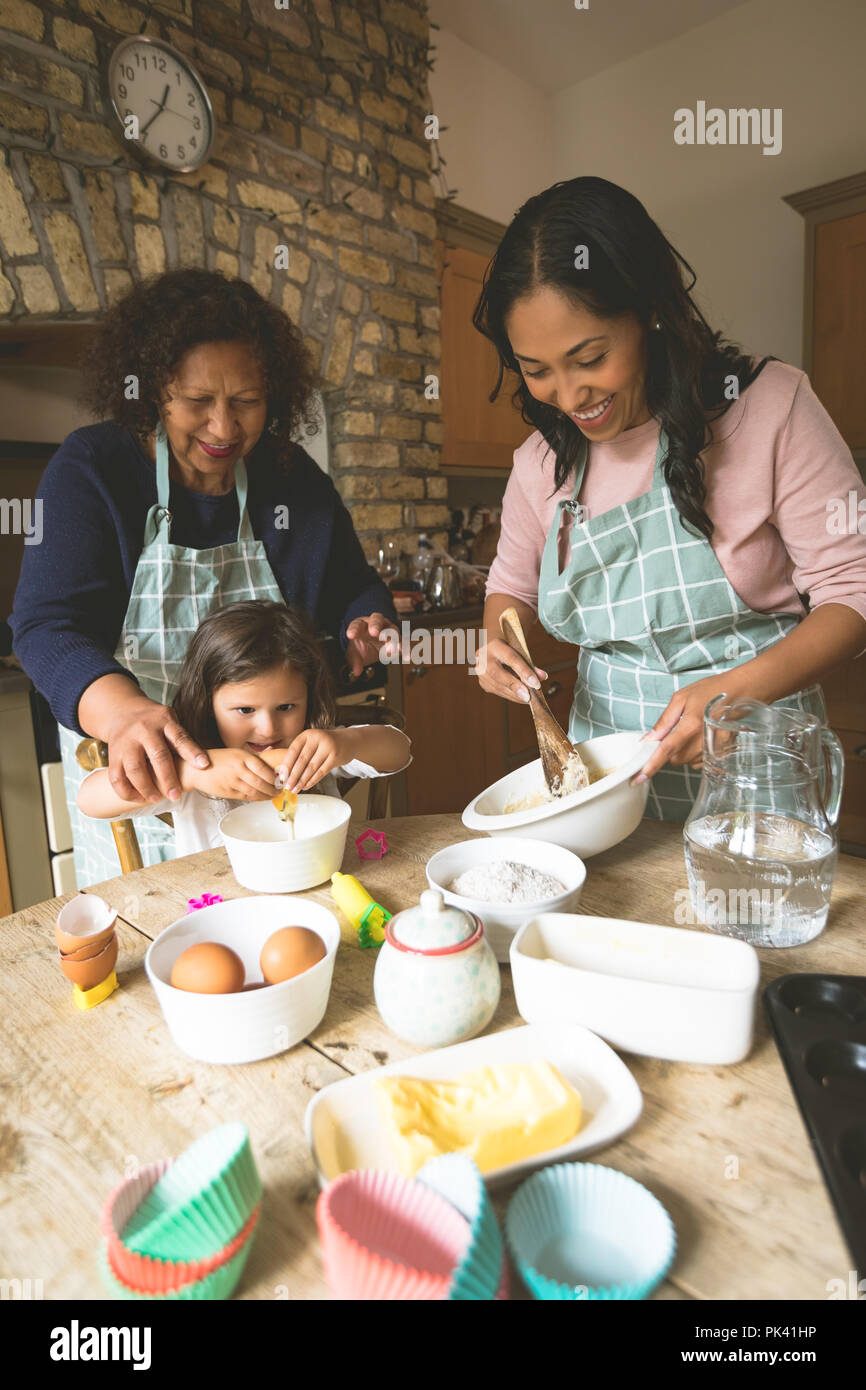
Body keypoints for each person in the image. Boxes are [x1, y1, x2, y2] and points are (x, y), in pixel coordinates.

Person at [475, 176, 866, 821]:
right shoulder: (539, 463)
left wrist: (731, 697)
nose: (570, 398)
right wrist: (497, 646)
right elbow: (508, 592)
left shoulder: (769, 407)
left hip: (758, 766)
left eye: (590, 357)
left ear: (649, 311)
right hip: (607, 785)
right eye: (537, 370)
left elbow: (852, 594)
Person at [11, 269, 396, 883]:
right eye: (197, 403)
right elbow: (45, 628)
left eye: (246, 402)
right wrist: (125, 716)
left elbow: (353, 583)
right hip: (146, 802)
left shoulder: (289, 476)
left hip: (271, 808)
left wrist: (366, 619)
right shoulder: (96, 469)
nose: (224, 428)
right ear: (153, 392)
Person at [77, 602, 411, 855]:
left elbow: (399, 750)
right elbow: (89, 799)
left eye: (286, 707)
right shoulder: (196, 767)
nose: (267, 728)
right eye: (245, 710)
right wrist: (190, 774)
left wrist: (346, 743)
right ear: (208, 703)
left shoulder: (311, 754)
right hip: (220, 916)